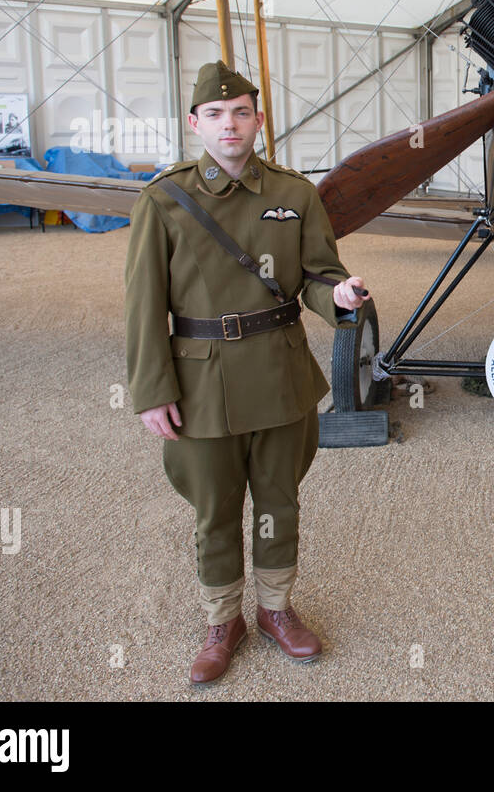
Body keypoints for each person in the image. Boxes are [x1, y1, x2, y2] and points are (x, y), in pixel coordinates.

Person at [125, 61, 368, 685]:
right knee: (214, 508)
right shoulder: (164, 199)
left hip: (280, 373)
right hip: (199, 382)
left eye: (240, 113)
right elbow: (144, 303)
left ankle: (276, 610)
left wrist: (337, 298)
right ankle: (220, 620)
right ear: (195, 123)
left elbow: (318, 273)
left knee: (278, 501)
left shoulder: (293, 194)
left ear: (258, 120)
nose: (228, 125)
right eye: (214, 115)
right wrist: (152, 391)